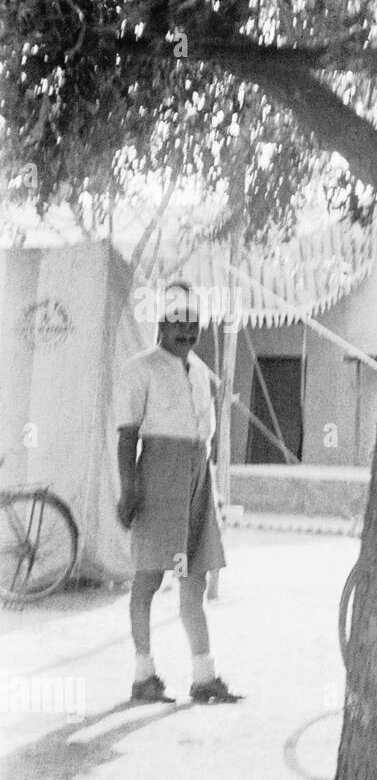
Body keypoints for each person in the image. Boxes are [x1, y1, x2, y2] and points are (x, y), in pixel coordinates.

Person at [115, 281, 241, 705]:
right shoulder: (141, 368)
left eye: (193, 324)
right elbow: (127, 436)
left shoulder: (201, 371)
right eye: (177, 324)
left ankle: (204, 677)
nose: (186, 332)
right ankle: (143, 674)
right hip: (157, 477)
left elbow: (202, 430)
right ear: (162, 325)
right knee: (149, 576)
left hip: (196, 474)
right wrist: (129, 489)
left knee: (194, 578)